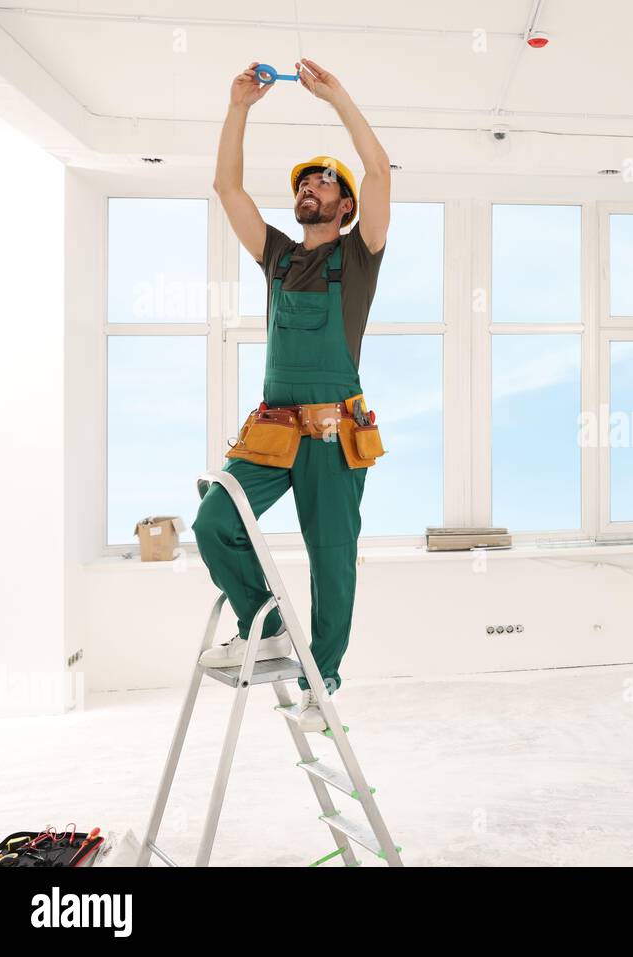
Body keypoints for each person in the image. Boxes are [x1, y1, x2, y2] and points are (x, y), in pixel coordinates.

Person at [192, 58, 391, 732]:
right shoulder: (278, 256)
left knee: (332, 558)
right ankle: (266, 624)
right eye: (304, 183)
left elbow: (383, 170)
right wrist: (238, 106)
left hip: (336, 434)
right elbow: (226, 185)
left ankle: (322, 678)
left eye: (326, 182)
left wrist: (337, 96)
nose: (312, 187)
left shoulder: (359, 255)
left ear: (346, 205)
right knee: (215, 520)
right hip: (273, 432)